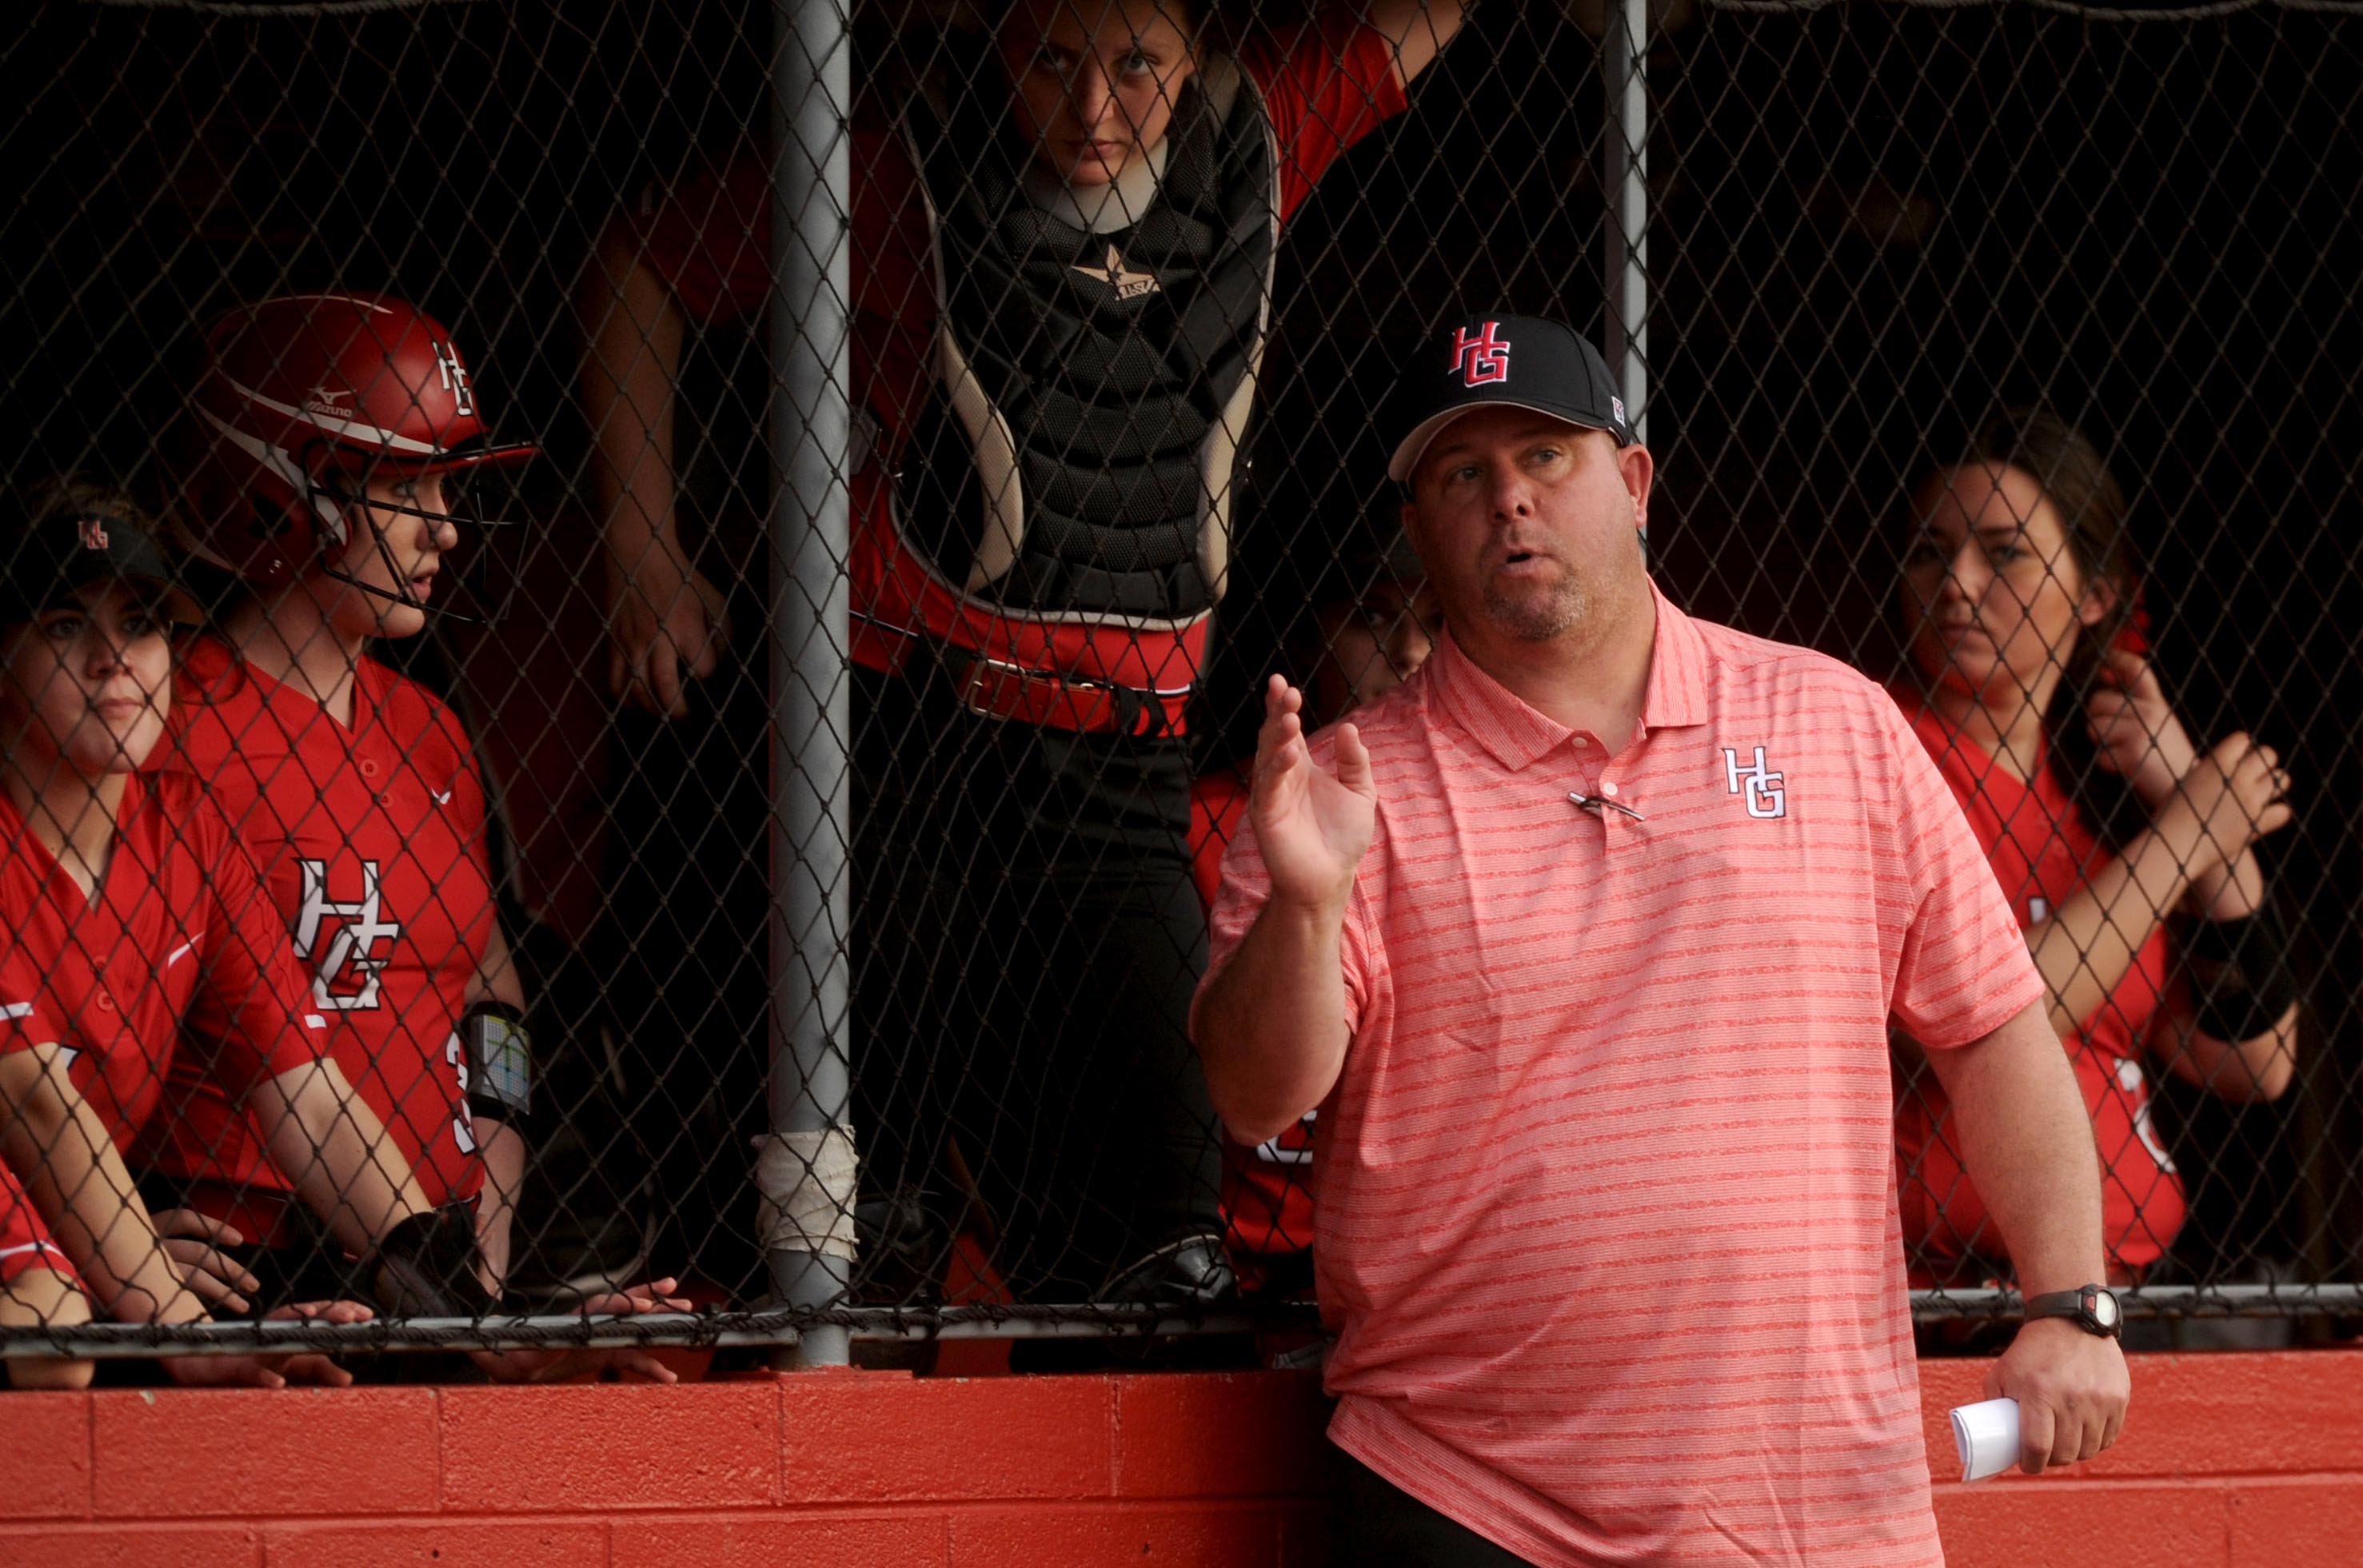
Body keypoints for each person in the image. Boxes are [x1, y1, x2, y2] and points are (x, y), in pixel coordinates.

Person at [1192, 315, 2133, 1566]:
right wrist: (1309, 903)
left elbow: (1993, 1030)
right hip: (1467, 1497)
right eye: (1462, 474)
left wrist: (2070, 1303)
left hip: (1811, 1511)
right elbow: (1255, 1091)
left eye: (1544, 456)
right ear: (1417, 527)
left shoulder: (1831, 723)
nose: (1508, 499)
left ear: (1631, 483)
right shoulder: (1342, 788)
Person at [581, 0, 1467, 1303]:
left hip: (1121, 764)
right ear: (1000, 50)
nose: (1094, 108)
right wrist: (643, 550)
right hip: (898, 728)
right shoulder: (909, 166)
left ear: (1195, 54)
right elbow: (640, 265)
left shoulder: (1255, 131)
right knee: (858, 1227)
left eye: (1136, 65)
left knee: (1165, 1230)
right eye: (1054, 61)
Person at [150, 294, 685, 1378]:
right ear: (287, 488)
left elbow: (493, 992)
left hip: (440, 1261)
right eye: (407, 487)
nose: (445, 527)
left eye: (444, 488)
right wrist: (112, 1237)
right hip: (254, 1271)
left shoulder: (430, 731)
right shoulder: (173, 729)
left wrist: (490, 1208)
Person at [0, 478, 453, 1389]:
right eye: (64, 625)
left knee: (68, 1322)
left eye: (139, 623)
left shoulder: (189, 832)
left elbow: (311, 1102)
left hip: (58, 1212)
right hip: (38, 1200)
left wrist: (482, 1321)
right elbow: (39, 1109)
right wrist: (181, 1324)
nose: (111, 660)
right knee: (54, 1336)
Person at [1890, 409, 2297, 1288]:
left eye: (2005, 553)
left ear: (2094, 594)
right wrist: (2189, 830)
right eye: (1929, 551)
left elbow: (2253, 1061)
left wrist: (2189, 801)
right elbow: (1985, 1019)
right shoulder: (1884, 752)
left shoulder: (2089, 808)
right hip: (1949, 1297)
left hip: (2123, 1291)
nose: (1957, 583)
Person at [1191, 522, 1436, 1299]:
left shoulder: (1497, 823)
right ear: (1308, 636)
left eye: (1438, 621)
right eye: (1371, 614)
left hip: (1402, 1270)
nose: (1409, 650)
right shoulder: (1203, 818)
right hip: (1230, 1273)